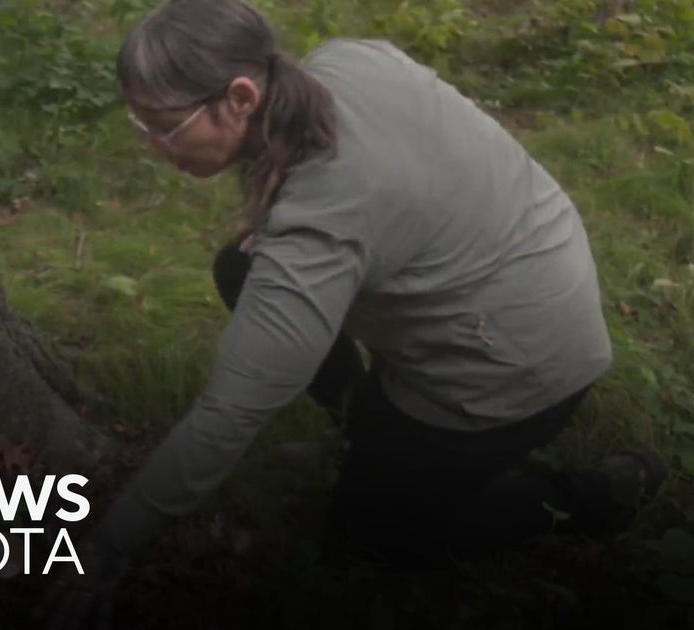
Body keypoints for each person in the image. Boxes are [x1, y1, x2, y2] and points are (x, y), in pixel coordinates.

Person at [32, 0, 667, 626]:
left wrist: (109, 545)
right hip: (531, 265)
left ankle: (594, 494)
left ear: (242, 97)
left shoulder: (318, 234)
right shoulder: (343, 62)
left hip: (515, 367)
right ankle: (363, 426)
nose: (153, 147)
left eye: (164, 128)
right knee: (244, 265)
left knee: (369, 536)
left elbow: (228, 414)